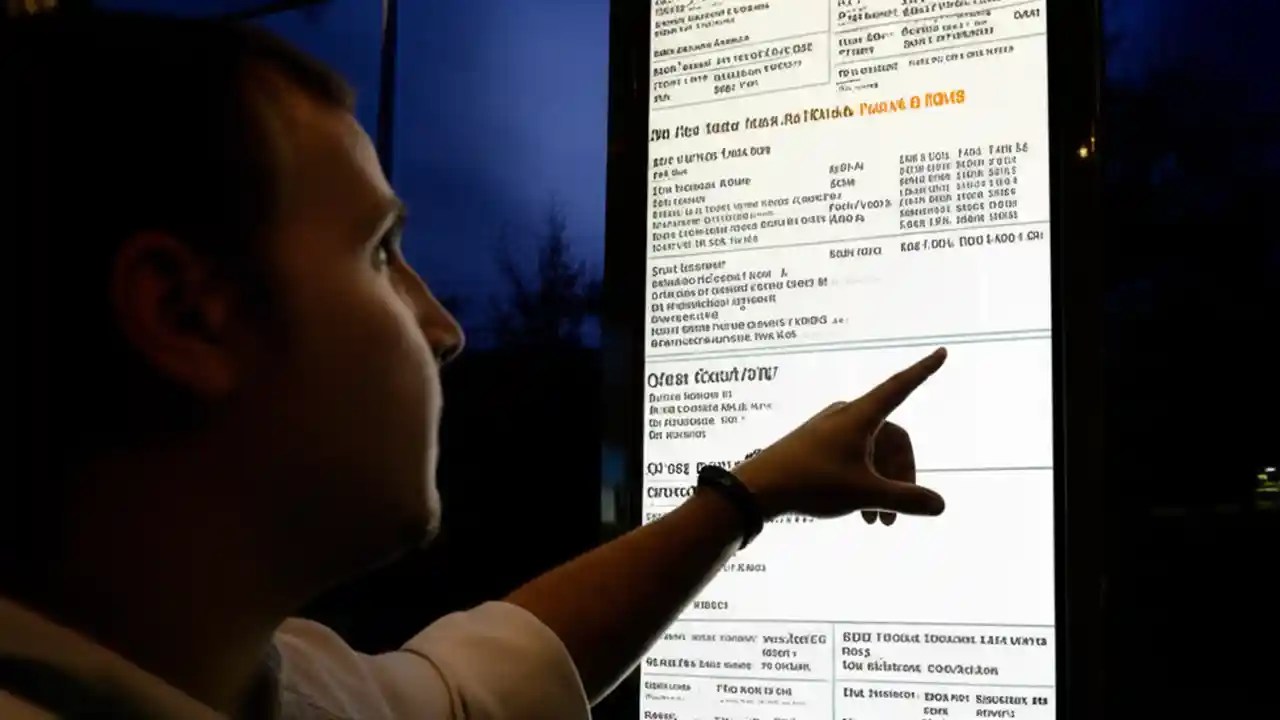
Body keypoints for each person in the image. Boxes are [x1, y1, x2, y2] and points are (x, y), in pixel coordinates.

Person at [1, 10, 947, 719]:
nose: (443, 326)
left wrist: (752, 493)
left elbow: (477, 688)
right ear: (186, 314)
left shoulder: (237, 677)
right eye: (378, 251)